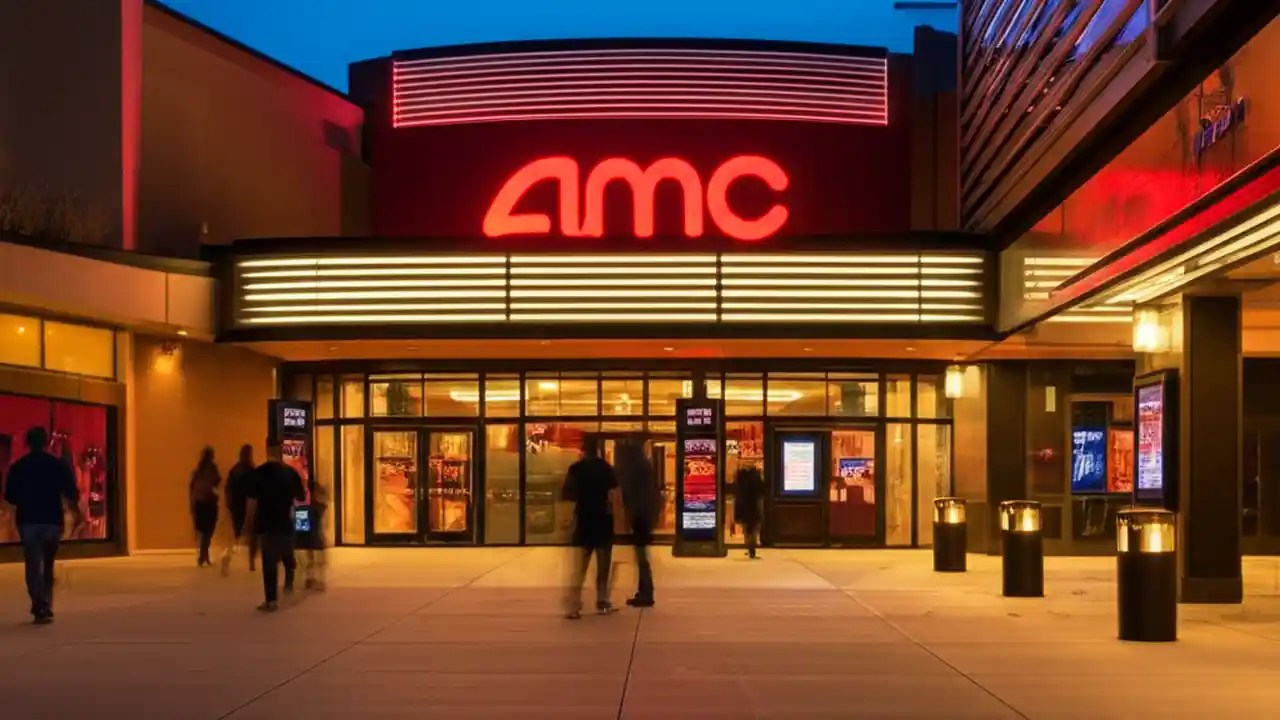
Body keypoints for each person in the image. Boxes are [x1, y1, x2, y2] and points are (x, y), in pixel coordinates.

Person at [3, 426, 81, 624]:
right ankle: (45, 601)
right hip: (51, 520)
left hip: (28, 520)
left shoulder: (19, 467)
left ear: (27, 443)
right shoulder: (56, 465)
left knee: (32, 563)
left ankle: (38, 602)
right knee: (47, 563)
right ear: (46, 442)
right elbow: (71, 491)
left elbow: (10, 496)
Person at [244, 440, 306, 612]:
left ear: (266, 450)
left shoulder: (259, 473)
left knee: (269, 562)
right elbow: (301, 497)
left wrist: (248, 525)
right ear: (281, 451)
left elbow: (252, 501)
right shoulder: (290, 473)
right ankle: (288, 584)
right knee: (287, 554)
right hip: (285, 522)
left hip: (266, 523)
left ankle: (271, 600)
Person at [561, 435, 618, 619]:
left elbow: (567, 493)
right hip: (602, 519)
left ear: (583, 449)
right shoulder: (605, 468)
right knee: (603, 567)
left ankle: (573, 606)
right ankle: (602, 601)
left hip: (584, 519)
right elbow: (614, 490)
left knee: (579, 568)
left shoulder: (576, 469)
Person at [617, 439, 659, 608]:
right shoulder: (645, 468)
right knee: (642, 557)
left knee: (642, 558)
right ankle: (644, 590)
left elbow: (632, 494)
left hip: (640, 516)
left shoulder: (635, 471)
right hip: (645, 516)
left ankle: (646, 592)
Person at [222, 444, 258, 573]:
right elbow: (255, 487)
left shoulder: (235, 470)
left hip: (236, 506)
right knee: (253, 534)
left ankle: (227, 557)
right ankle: (251, 561)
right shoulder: (251, 469)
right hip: (249, 503)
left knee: (237, 534)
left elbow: (228, 487)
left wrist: (228, 503)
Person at [189, 447, 221, 568]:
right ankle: (204, 556)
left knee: (203, 532)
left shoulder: (198, 470)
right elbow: (217, 481)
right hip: (208, 502)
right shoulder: (212, 468)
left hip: (199, 502)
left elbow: (192, 487)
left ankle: (204, 556)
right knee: (208, 531)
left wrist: (191, 503)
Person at [298, 476, 329, 592]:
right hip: (315, 537)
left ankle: (310, 579)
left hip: (306, 537)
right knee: (319, 561)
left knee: (310, 559)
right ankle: (317, 580)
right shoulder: (319, 507)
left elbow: (301, 525)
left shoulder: (302, 507)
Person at [734, 461, 765, 559]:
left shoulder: (740, 478)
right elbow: (762, 489)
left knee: (747, 528)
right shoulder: (756, 477)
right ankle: (752, 549)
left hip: (743, 507)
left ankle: (748, 547)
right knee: (754, 528)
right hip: (754, 506)